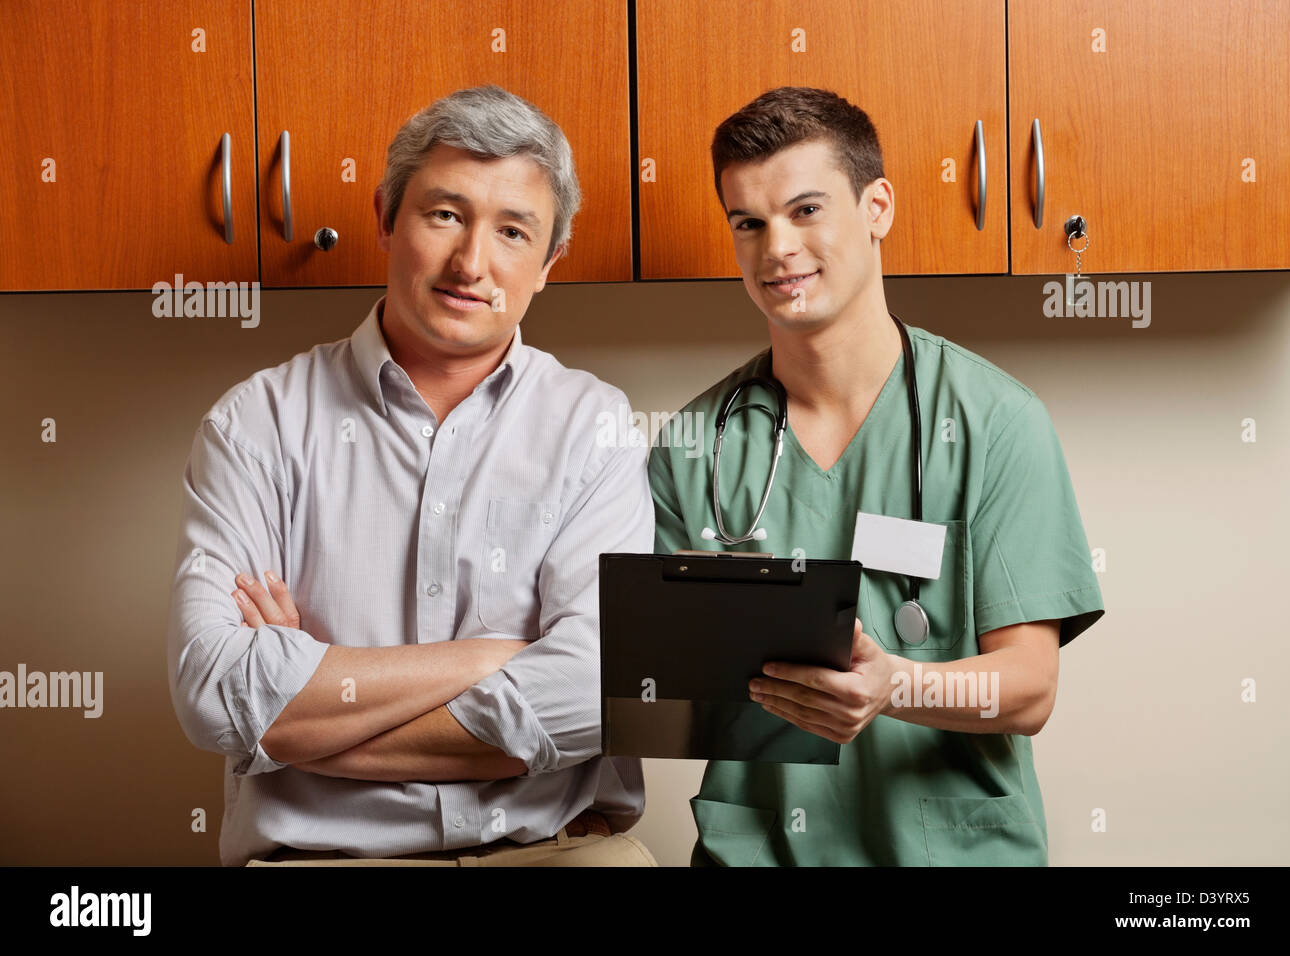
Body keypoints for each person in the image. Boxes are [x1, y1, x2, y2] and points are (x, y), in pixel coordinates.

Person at [166, 85, 656, 867]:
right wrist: (496, 657)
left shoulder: (596, 429)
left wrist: (311, 722)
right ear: (386, 219)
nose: (472, 263)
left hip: (553, 855)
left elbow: (603, 691)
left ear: (550, 262)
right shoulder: (254, 425)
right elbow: (214, 694)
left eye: (513, 231)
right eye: (445, 215)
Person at [647, 86, 1105, 866]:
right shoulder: (692, 449)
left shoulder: (996, 423)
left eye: (805, 211)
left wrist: (899, 686)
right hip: (758, 851)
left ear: (877, 207)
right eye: (748, 224)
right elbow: (662, 690)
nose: (776, 249)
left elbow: (1030, 689)